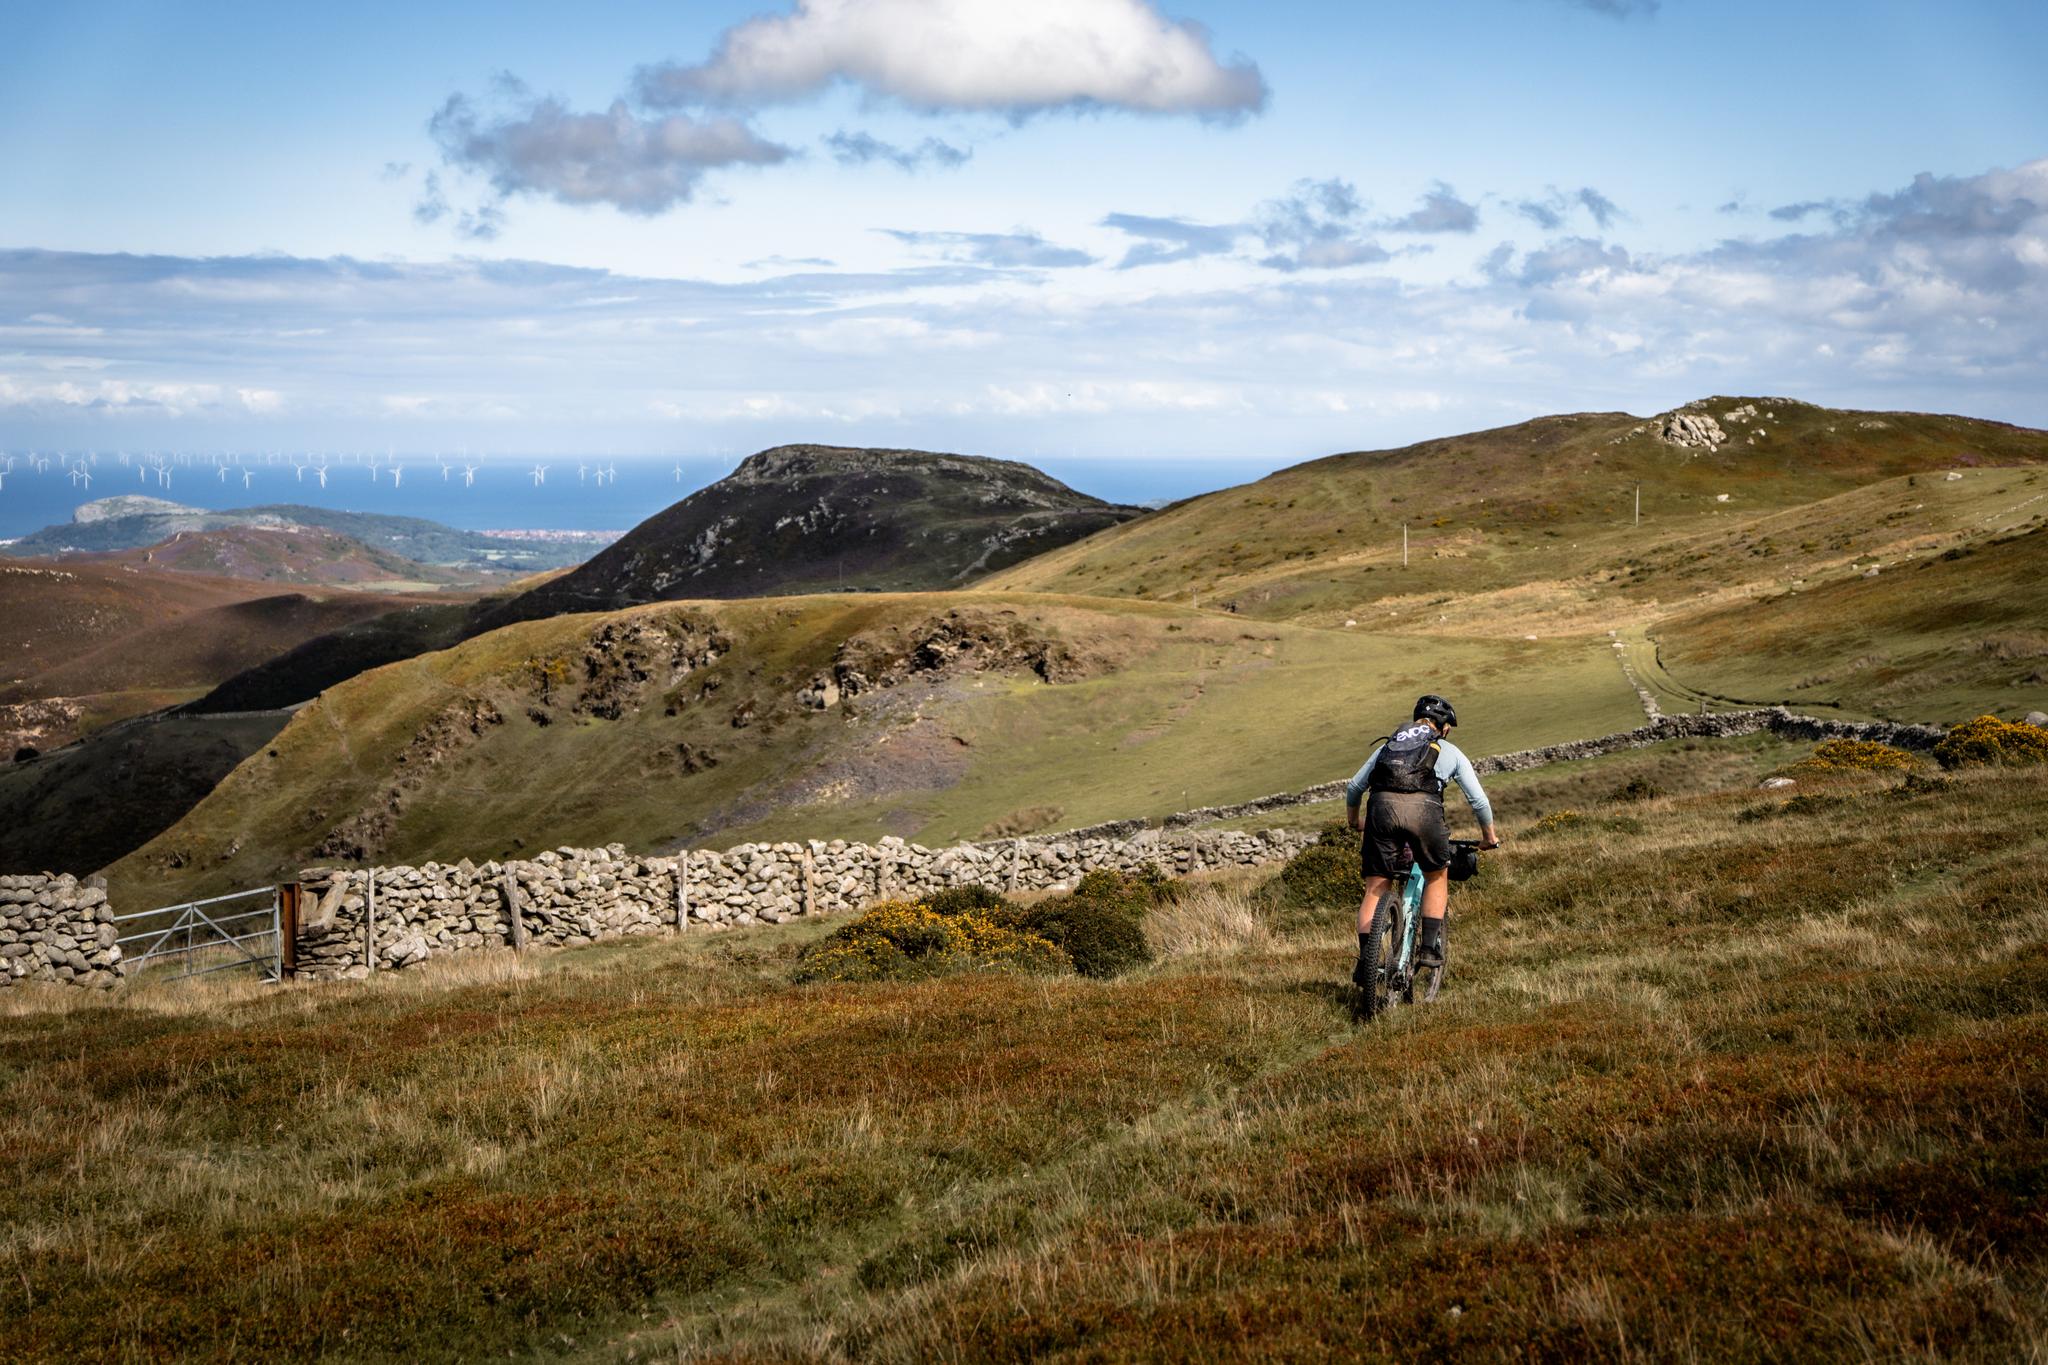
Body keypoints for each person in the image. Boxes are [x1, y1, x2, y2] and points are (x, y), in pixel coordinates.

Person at [1344, 694, 1500, 984]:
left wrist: (1355, 822)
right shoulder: (1449, 751)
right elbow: (1478, 800)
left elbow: (1354, 787)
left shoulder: (1389, 747)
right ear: (1445, 728)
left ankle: (1366, 963)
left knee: (1375, 887)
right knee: (1436, 876)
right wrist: (1488, 836)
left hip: (1380, 810)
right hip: (1425, 812)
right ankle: (1428, 949)